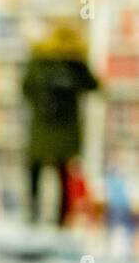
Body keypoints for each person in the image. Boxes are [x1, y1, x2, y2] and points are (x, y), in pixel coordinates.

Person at [22, 22, 99, 225]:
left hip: (44, 127)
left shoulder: (40, 61)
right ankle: (60, 220)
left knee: (38, 171)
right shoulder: (74, 62)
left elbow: (25, 89)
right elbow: (94, 86)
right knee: (61, 173)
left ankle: (35, 216)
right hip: (64, 128)